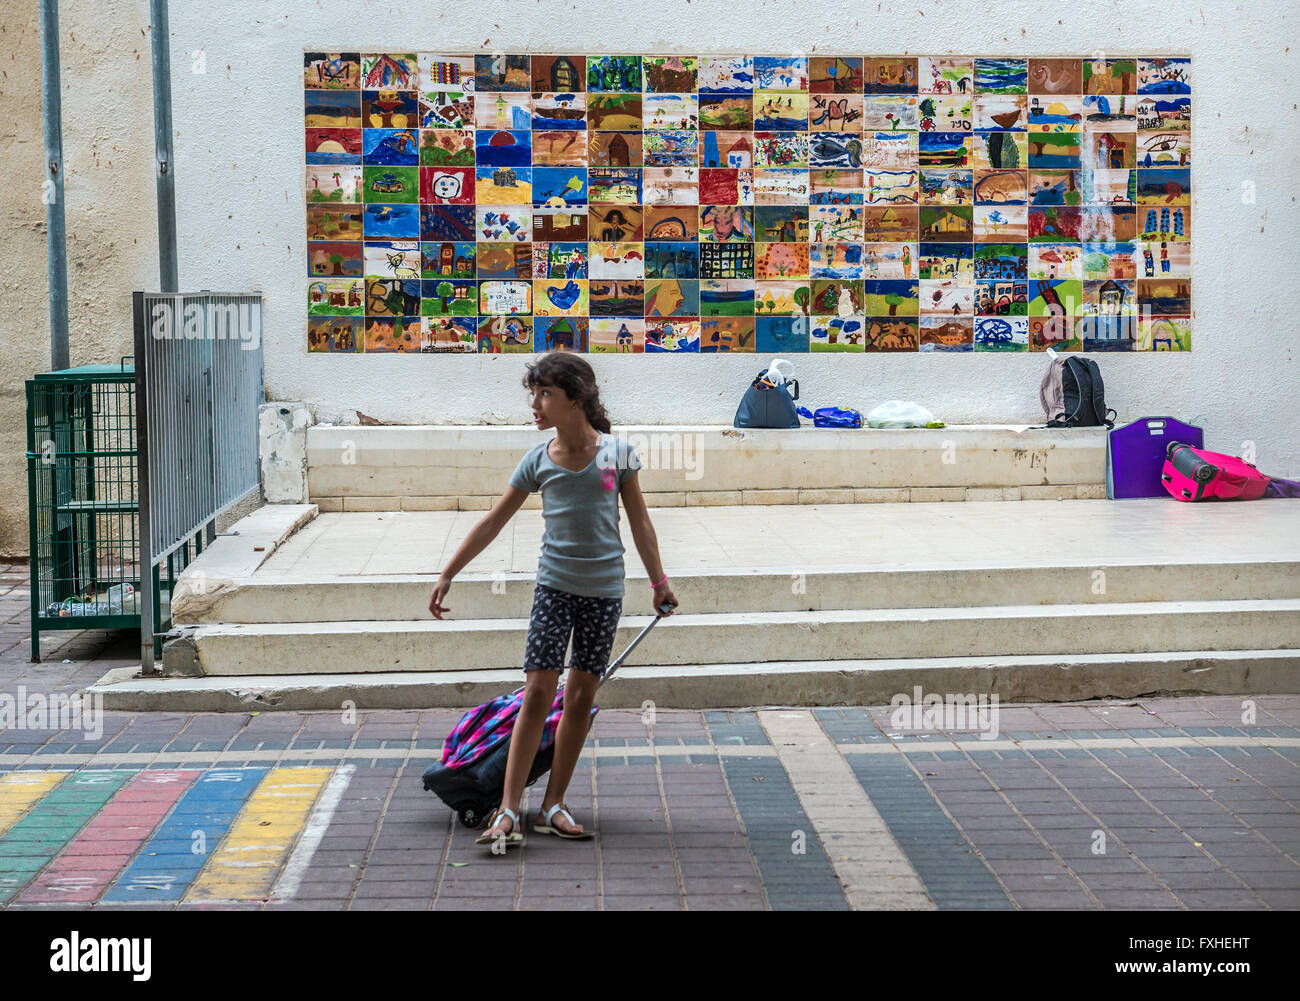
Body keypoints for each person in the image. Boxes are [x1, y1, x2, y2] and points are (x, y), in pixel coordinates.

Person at [428, 351, 679, 846]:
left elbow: (640, 522)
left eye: (545, 394)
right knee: (540, 692)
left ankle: (553, 805)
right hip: (554, 590)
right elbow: (493, 521)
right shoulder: (538, 460)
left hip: (603, 592)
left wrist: (658, 583)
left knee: (581, 698)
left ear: (576, 400)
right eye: (534, 394)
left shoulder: (617, 456)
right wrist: (448, 573)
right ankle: (506, 809)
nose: (536, 405)